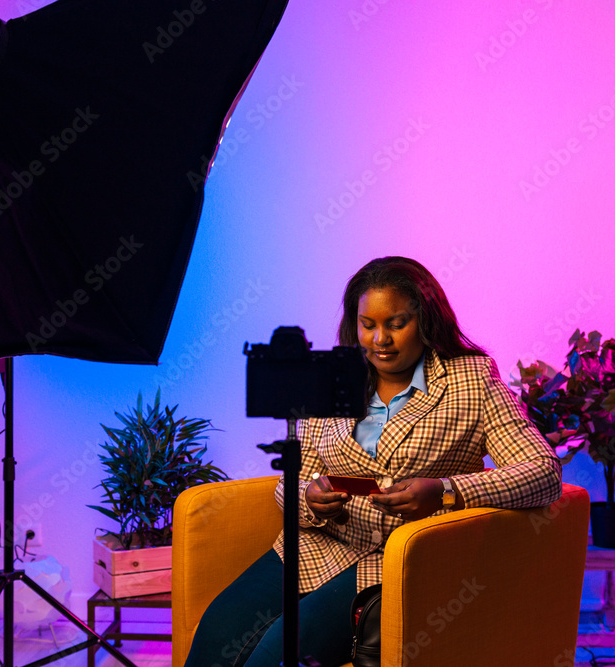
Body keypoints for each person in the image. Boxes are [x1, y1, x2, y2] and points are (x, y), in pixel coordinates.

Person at [183, 256, 562, 667]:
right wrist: (308, 497)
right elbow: (292, 479)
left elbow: (543, 471)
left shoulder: (471, 380)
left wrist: (445, 492)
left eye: (396, 324)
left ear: (425, 320)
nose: (380, 339)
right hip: (314, 547)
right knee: (215, 635)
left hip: (394, 562)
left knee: (274, 656)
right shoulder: (333, 376)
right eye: (368, 325)